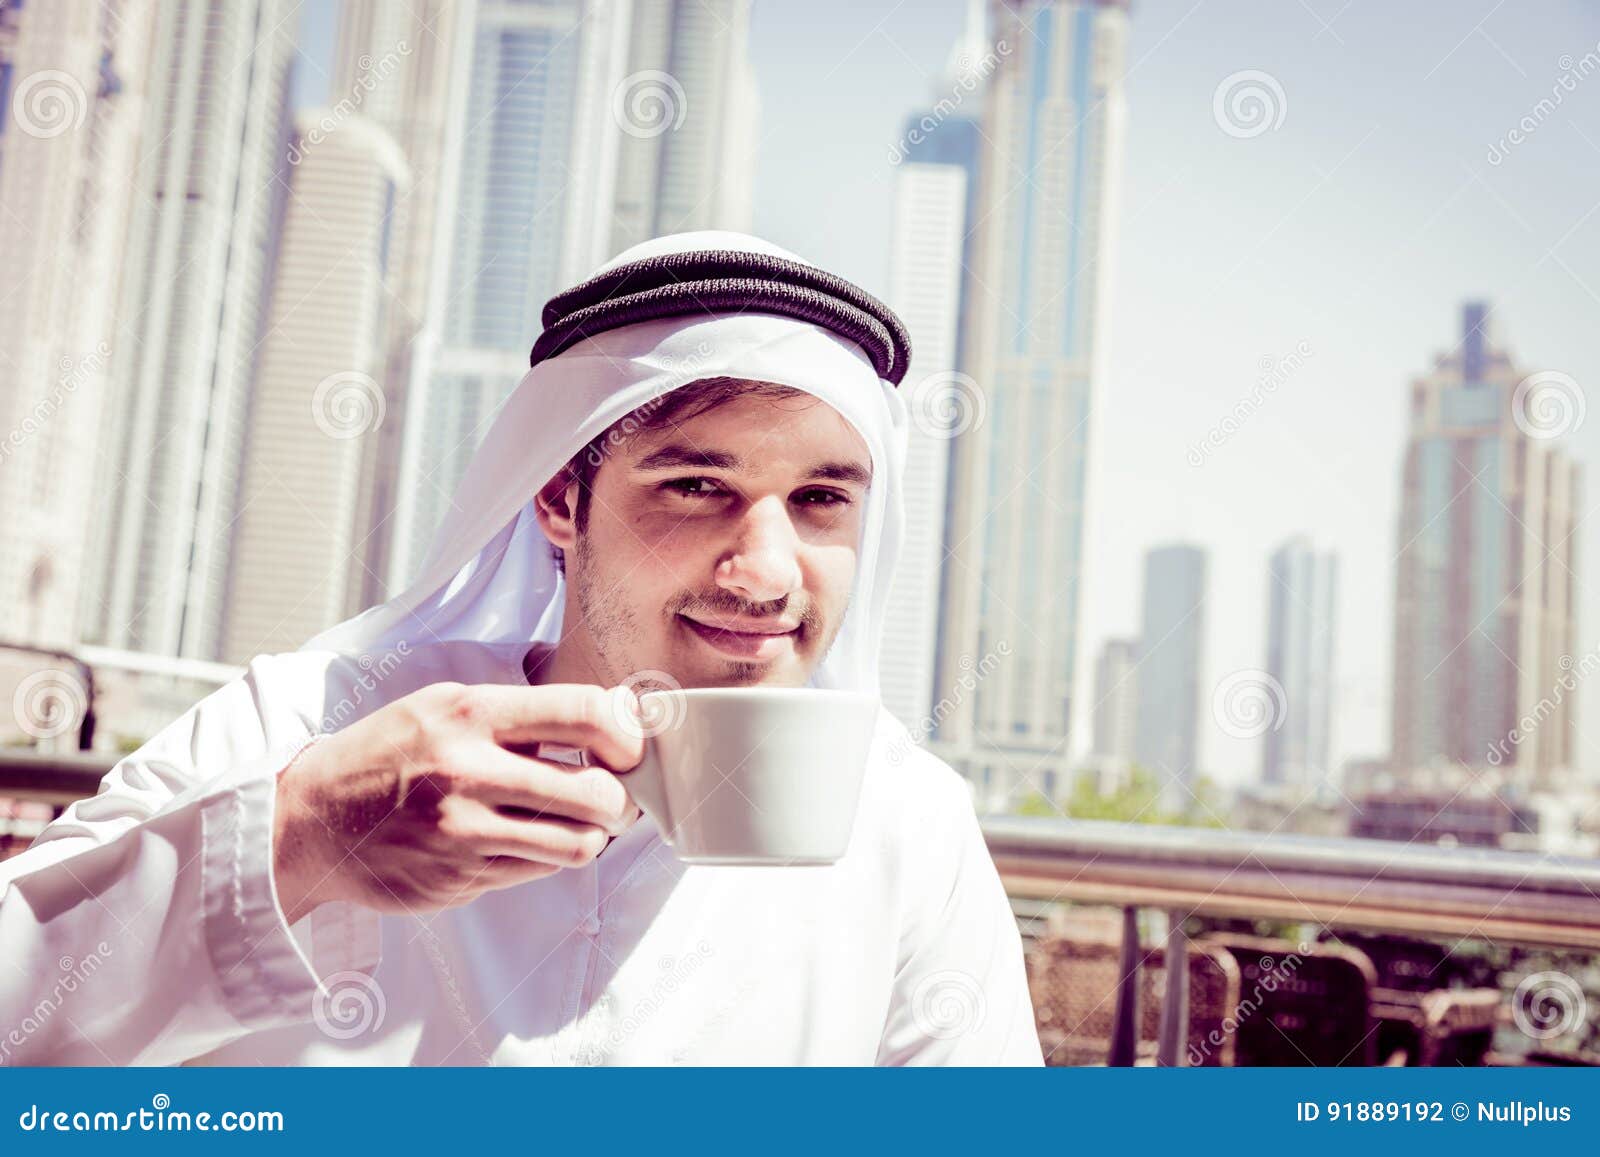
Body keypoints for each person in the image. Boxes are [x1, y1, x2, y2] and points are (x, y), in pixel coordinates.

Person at [0, 231, 1044, 1066]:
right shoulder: (307, 717)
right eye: (695, 487)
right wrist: (302, 836)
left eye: (820, 499)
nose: (768, 570)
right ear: (558, 495)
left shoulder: (909, 819)